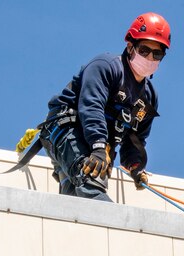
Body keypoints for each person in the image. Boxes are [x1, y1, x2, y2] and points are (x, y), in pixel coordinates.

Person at [38, 13, 170, 201]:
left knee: (75, 200)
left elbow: (135, 138)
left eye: (157, 54)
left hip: (97, 146)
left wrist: (135, 166)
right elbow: (91, 107)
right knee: (91, 179)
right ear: (130, 47)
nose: (150, 57)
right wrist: (99, 147)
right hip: (67, 130)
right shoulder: (106, 67)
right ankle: (117, 221)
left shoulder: (148, 96)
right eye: (144, 50)